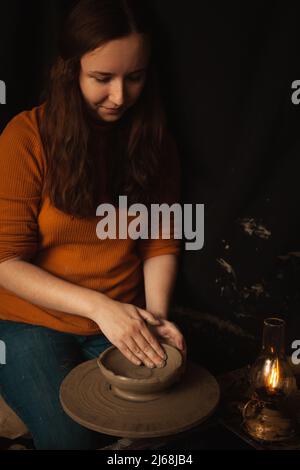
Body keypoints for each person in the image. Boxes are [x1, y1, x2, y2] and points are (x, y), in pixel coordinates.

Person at [0, 0, 186, 450]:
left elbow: (160, 240)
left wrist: (156, 318)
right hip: (29, 322)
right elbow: (5, 260)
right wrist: (100, 307)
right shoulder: (25, 138)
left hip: (124, 317)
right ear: (70, 72)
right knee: (72, 440)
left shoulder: (153, 138)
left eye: (135, 77)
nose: (120, 97)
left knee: (163, 433)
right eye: (102, 79)